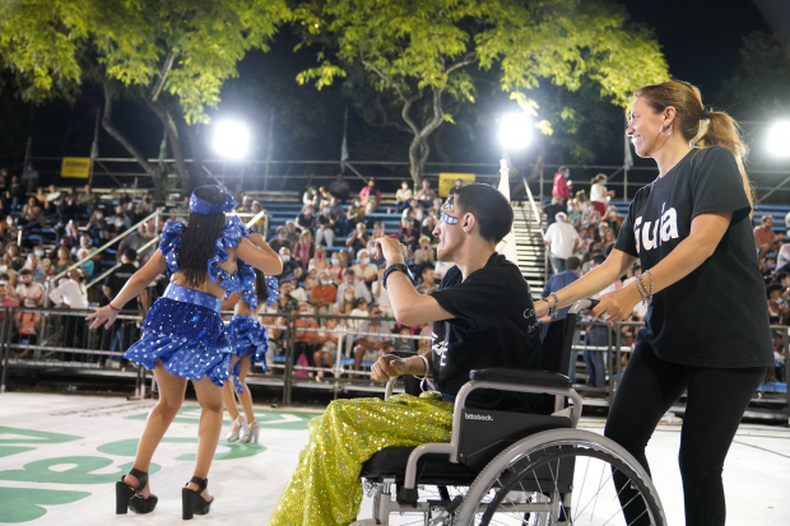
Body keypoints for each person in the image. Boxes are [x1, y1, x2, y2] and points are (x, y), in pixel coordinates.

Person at [535, 81, 774, 526]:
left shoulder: (712, 164)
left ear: (667, 118)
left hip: (725, 343)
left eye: (634, 116)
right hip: (666, 339)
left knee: (698, 465)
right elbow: (611, 268)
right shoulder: (645, 198)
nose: (629, 127)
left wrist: (634, 291)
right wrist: (548, 303)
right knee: (620, 439)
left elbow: (701, 243)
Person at [268, 183, 543, 526]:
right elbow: (455, 351)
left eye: (445, 216)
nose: (435, 228)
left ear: (468, 222)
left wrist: (394, 261)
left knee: (339, 419)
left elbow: (407, 311)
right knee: (327, 423)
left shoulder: (499, 282)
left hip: (475, 420)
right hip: (450, 407)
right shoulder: (460, 277)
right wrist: (409, 364)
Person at [87, 185, 282, 519]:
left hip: (165, 315)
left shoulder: (177, 236)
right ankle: (197, 485)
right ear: (224, 213)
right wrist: (258, 240)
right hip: (203, 322)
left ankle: (135, 477)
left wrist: (113, 306)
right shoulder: (232, 240)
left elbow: (141, 277)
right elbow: (275, 267)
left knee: (166, 404)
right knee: (211, 406)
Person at [223, 271, 279, 445]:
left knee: (221, 374)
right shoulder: (264, 283)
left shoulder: (244, 279)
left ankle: (236, 419)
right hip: (256, 330)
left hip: (240, 327)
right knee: (238, 379)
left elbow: (228, 302)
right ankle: (252, 423)